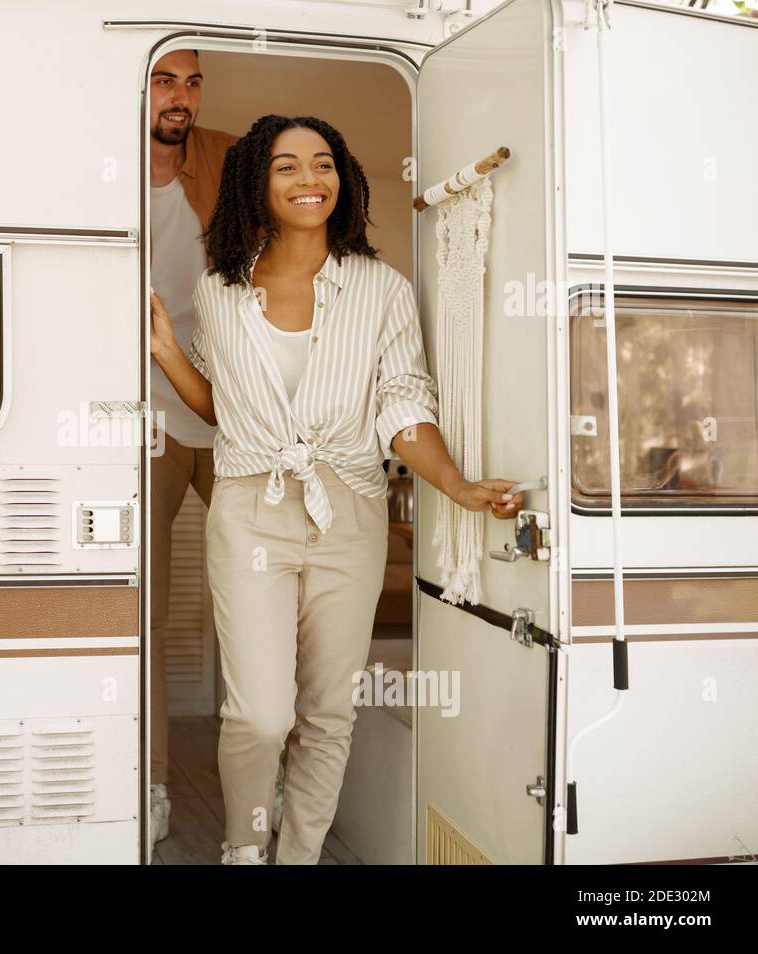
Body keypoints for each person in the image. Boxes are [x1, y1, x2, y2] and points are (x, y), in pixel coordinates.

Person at [150, 114, 524, 865]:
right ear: (258, 182)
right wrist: (165, 352)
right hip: (251, 511)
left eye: (323, 164)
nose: (309, 179)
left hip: (348, 510)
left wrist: (455, 484)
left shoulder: (380, 289)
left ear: (342, 180)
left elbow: (403, 403)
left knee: (327, 712)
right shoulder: (219, 289)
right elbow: (229, 409)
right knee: (258, 714)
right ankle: (243, 848)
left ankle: (298, 856)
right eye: (287, 166)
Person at [144, 48, 238, 847]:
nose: (180, 97)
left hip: (236, 409)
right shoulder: (98, 168)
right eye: (164, 80)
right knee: (145, 604)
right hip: (151, 413)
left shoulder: (226, 159)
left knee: (265, 597)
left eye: (191, 82)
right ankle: (153, 788)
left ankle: (265, 801)